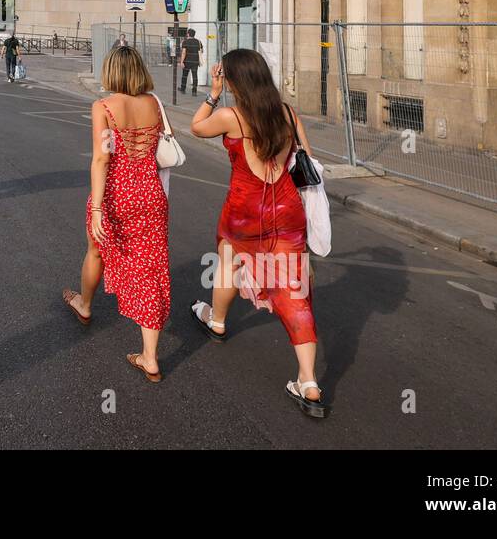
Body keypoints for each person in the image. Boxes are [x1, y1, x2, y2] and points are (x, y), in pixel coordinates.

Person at [188, 49, 326, 418]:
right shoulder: (288, 114)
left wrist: (213, 92)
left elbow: (195, 126)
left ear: (233, 80)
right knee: (294, 294)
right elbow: (307, 164)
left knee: (229, 264)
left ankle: (216, 321)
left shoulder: (229, 116)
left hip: (244, 212)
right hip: (287, 213)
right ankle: (309, 381)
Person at [63, 46, 170, 381]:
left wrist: (96, 206)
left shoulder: (104, 107)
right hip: (151, 192)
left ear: (111, 71)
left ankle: (85, 304)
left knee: (97, 250)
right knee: (150, 266)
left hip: (116, 193)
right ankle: (150, 356)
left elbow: (102, 157)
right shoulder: (154, 103)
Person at [179, 28, 203, 94]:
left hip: (187, 62)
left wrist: (181, 62)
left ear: (188, 34)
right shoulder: (198, 42)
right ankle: (194, 91)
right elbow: (201, 51)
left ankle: (183, 89)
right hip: (195, 61)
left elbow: (184, 52)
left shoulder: (185, 41)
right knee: (195, 76)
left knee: (184, 75)